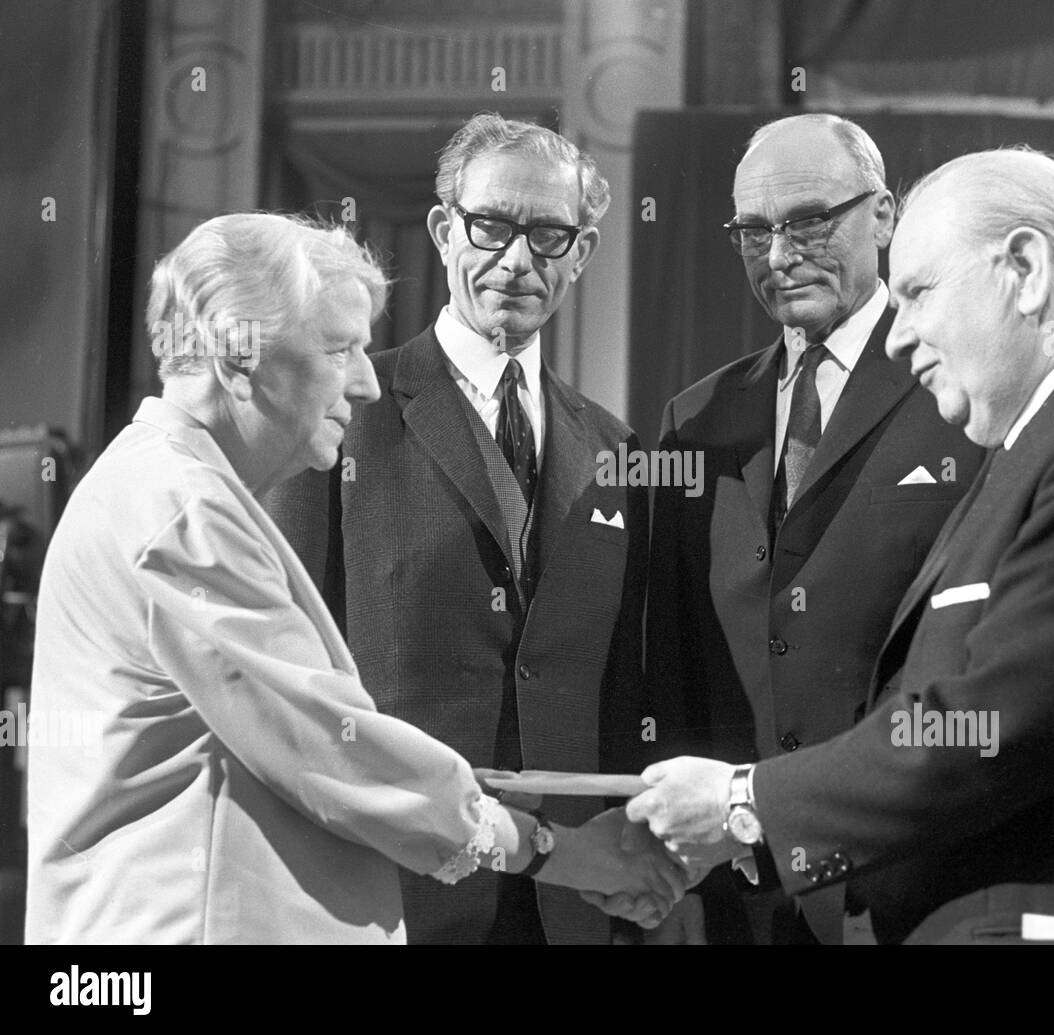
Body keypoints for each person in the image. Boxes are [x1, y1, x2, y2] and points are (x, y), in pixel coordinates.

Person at [627, 147, 1054, 945]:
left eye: (919, 294)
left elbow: (1001, 720)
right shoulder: (1041, 450)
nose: (898, 340)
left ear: (1026, 270)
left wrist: (747, 802)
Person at [24, 213, 682, 945]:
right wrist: (549, 846)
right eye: (339, 349)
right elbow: (329, 749)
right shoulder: (181, 510)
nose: (368, 383)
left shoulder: (177, 488)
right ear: (239, 357)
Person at [265, 114, 653, 944]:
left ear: (580, 253)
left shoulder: (617, 448)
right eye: (491, 226)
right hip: (388, 892)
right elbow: (288, 679)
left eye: (548, 234)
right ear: (445, 230)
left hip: (568, 904)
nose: (517, 259)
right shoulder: (343, 417)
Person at [640, 113, 982, 944]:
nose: (781, 254)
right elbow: (680, 667)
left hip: (912, 888)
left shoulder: (962, 395)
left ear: (885, 216)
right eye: (754, 231)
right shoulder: (698, 420)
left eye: (809, 220)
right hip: (741, 900)